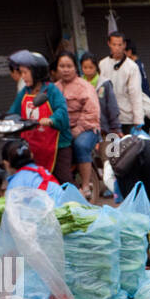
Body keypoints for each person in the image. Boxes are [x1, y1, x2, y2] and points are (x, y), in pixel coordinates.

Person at [13, 54, 72, 182]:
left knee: (64, 180)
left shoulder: (51, 90)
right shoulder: (25, 92)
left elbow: (62, 111)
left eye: (25, 73)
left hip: (57, 144)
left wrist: (51, 120)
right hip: (34, 144)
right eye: (21, 73)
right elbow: (14, 111)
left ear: (36, 72)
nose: (22, 76)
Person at [54, 51, 100, 196]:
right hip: (63, 129)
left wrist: (78, 128)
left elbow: (92, 113)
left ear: (75, 68)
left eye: (69, 66)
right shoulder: (54, 88)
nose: (65, 69)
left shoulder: (85, 87)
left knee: (80, 145)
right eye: (62, 66)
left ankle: (86, 185)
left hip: (87, 128)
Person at [110, 132, 150, 250]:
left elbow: (109, 179)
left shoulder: (115, 156)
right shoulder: (145, 141)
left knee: (134, 209)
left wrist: (125, 199)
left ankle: (141, 250)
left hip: (129, 162)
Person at [99, 32, 143, 132]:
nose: (117, 48)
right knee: (111, 147)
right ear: (109, 44)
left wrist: (138, 119)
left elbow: (135, 94)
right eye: (114, 44)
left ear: (124, 45)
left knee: (128, 146)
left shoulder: (132, 67)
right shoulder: (102, 64)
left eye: (120, 45)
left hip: (126, 118)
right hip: (107, 118)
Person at [80, 51, 120, 141]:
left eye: (91, 67)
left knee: (108, 152)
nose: (88, 70)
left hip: (104, 128)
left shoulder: (104, 84)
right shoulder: (79, 84)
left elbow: (112, 106)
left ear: (96, 67)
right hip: (85, 129)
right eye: (85, 67)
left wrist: (116, 127)